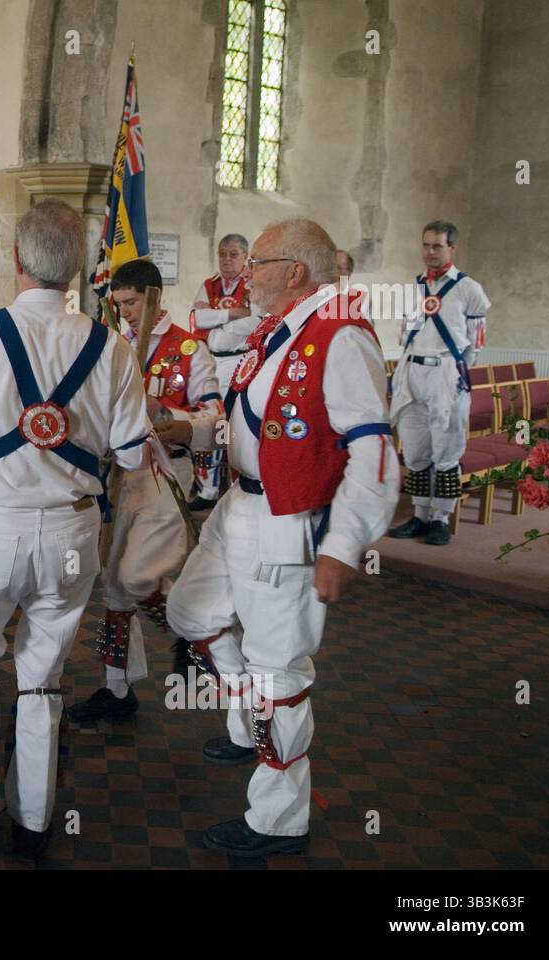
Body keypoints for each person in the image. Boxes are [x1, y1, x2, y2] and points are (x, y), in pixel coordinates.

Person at [0, 199, 152, 859]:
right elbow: (133, 455)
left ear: (15, 264)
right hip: (73, 533)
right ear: (76, 267)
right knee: (44, 673)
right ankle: (34, 821)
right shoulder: (111, 346)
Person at [164, 218, 398, 857]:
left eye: (257, 262)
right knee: (190, 613)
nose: (245, 274)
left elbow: (374, 454)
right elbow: (247, 422)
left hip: (286, 523)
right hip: (237, 508)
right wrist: (185, 430)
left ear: (294, 271)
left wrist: (342, 545)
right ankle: (249, 726)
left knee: (278, 671)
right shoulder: (278, 330)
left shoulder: (340, 337)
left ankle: (277, 819)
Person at [66, 258, 220, 724]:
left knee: (135, 578)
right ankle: (117, 690)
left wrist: (164, 415)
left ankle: (193, 631)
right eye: (119, 304)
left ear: (153, 296)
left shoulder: (190, 349)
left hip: (165, 477)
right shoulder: (112, 347)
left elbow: (215, 422)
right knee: (113, 588)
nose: (126, 312)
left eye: (132, 302)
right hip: (118, 479)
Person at [387, 220, 490, 547]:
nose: (429, 252)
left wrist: (457, 372)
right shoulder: (413, 287)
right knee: (416, 449)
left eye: (437, 246)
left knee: (446, 450)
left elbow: (476, 341)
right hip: (412, 370)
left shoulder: (468, 289)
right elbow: (405, 331)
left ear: (452, 248)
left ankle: (440, 519)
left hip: (446, 373)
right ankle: (418, 515)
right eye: (426, 245)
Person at [188, 233, 258, 511]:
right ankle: (208, 487)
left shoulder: (252, 284)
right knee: (208, 420)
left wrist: (216, 323)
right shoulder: (210, 285)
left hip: (238, 362)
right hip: (208, 359)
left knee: (228, 423)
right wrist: (230, 315)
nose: (227, 260)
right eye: (222, 254)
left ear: (245, 257)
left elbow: (256, 321)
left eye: (233, 254)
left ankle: (234, 486)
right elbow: (195, 318)